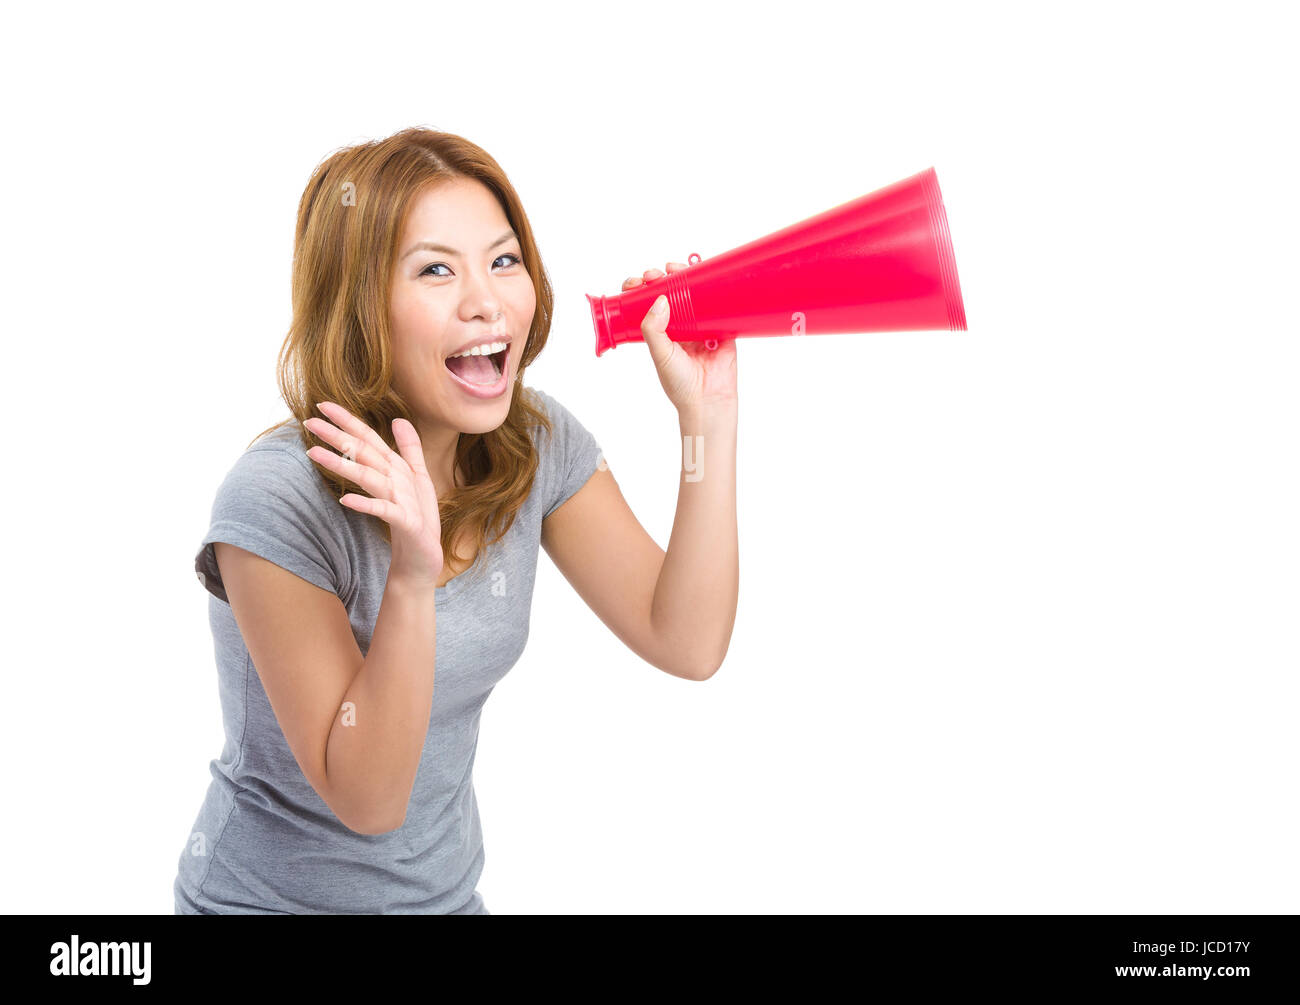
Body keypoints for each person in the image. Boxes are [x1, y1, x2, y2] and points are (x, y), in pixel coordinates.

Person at [173, 127, 740, 914]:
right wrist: (412, 573)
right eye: (436, 269)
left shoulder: (532, 444)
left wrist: (705, 418)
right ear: (361, 305)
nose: (487, 301)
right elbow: (367, 799)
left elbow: (684, 637)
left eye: (504, 261)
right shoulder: (275, 501)